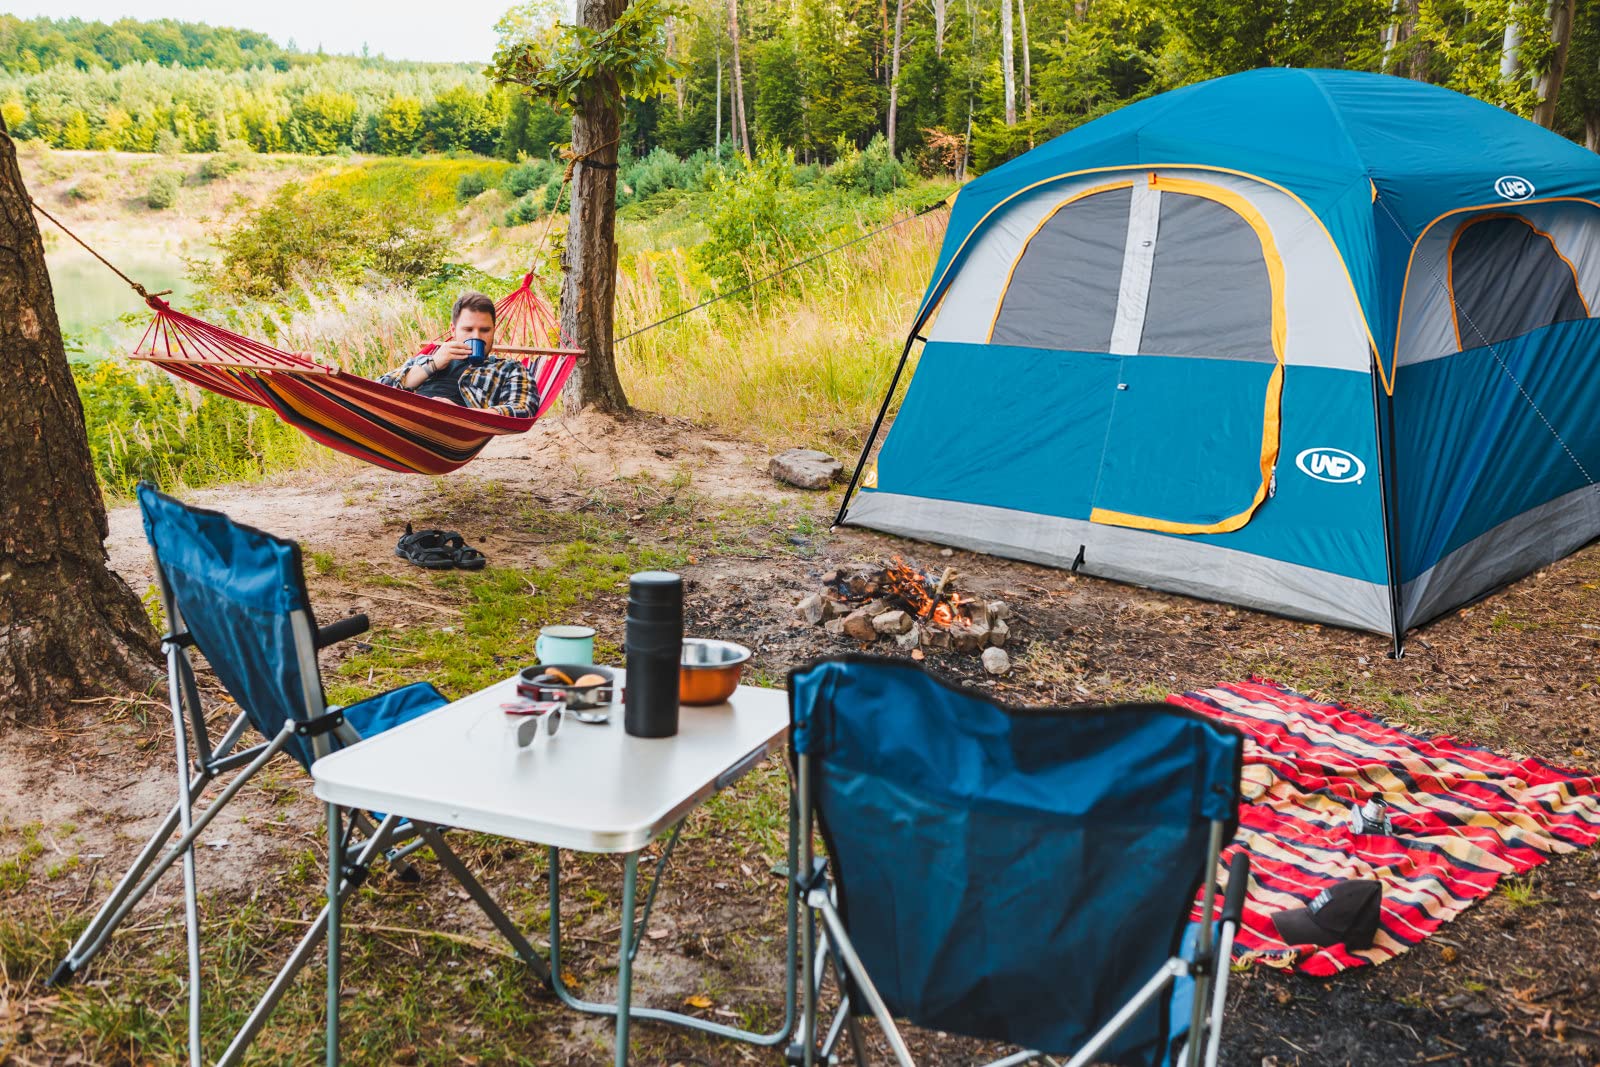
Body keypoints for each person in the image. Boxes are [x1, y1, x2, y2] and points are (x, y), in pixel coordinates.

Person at [379, 291, 538, 418]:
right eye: (468, 330)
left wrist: (460, 415)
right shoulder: (427, 360)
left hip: (455, 429)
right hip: (406, 419)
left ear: (493, 331)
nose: (476, 337)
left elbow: (523, 409)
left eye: (484, 330)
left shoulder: (508, 369)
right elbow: (379, 391)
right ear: (453, 330)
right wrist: (433, 364)